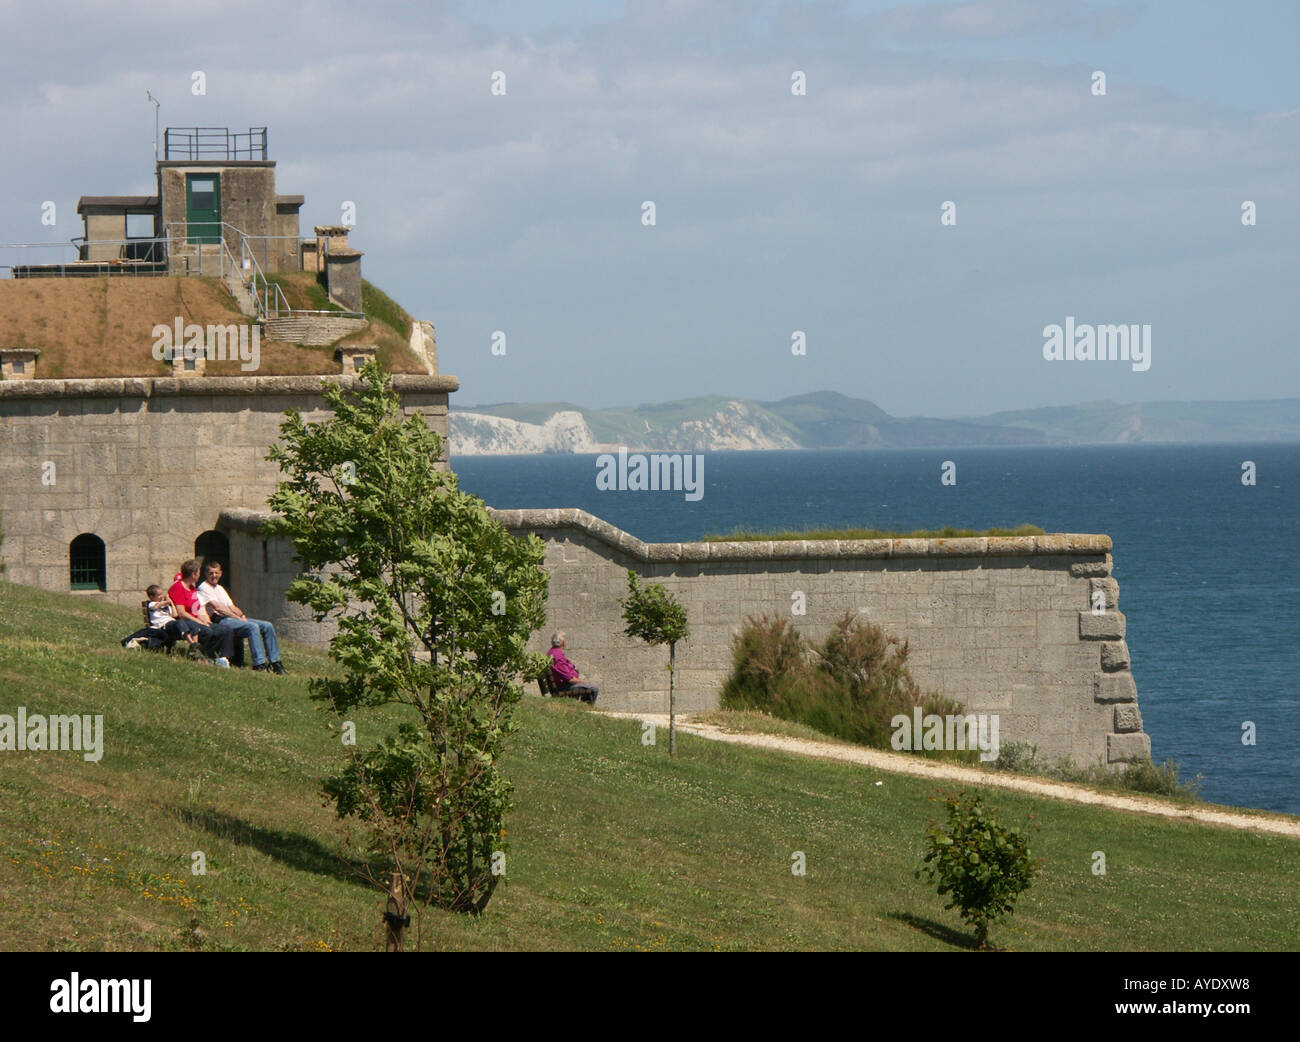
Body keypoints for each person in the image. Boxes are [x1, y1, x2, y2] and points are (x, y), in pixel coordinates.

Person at [197, 560, 286, 675]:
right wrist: (236, 618)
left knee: (267, 625)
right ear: (206, 574)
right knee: (252, 627)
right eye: (211, 573)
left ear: (221, 573)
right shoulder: (204, 587)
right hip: (220, 620)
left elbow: (231, 606)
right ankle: (259, 664)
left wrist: (241, 615)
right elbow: (218, 607)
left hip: (232, 618)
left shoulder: (220, 589)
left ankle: (276, 662)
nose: (214, 576)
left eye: (216, 573)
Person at [165, 563, 231, 668]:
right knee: (207, 631)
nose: (199, 576)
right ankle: (199, 655)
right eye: (198, 573)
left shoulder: (192, 588)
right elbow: (181, 613)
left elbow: (196, 609)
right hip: (183, 622)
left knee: (222, 630)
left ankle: (209, 655)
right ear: (193, 574)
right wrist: (199, 622)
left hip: (194, 620)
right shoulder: (178, 588)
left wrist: (204, 620)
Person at [547, 631, 598, 704]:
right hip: (562, 687)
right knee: (594, 688)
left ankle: (584, 708)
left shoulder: (552, 653)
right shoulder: (558, 657)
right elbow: (569, 679)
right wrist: (584, 682)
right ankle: (588, 710)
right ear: (563, 643)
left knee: (587, 686)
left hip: (560, 684)